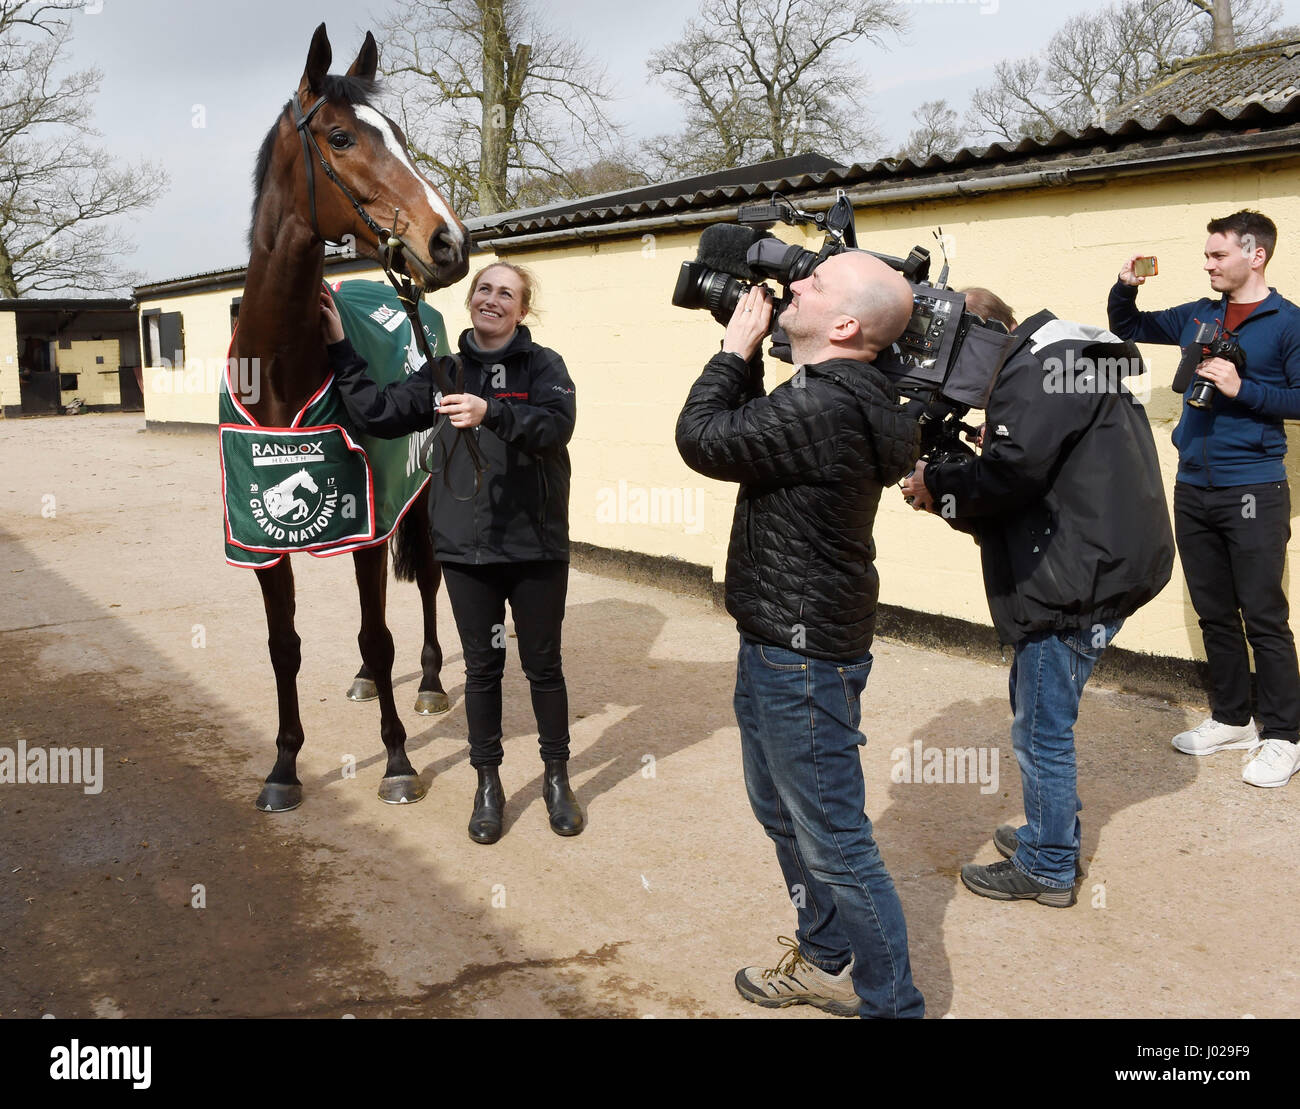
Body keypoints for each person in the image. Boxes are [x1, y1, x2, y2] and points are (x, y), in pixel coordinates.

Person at [676, 251, 925, 1019]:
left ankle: (892, 1004)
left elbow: (705, 439)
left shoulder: (827, 402)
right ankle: (824, 955)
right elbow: (749, 436)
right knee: (783, 812)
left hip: (803, 650)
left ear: (845, 325)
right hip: (782, 633)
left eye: (816, 284)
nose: (797, 285)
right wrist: (748, 359)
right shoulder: (835, 390)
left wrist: (733, 350)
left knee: (835, 839)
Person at [901, 290, 1174, 905]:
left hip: (1075, 580)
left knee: (1040, 729)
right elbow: (1033, 472)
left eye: (952, 353)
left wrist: (937, 481)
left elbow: (1013, 474)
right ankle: (1051, 832)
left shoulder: (1033, 371)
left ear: (989, 334)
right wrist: (962, 476)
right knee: (1041, 710)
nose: (951, 375)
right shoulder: (1065, 355)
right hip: (1105, 561)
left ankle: (1049, 864)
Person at [319, 263, 583, 842]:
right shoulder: (443, 371)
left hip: (535, 545)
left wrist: (493, 412)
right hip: (467, 551)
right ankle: (487, 784)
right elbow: (379, 412)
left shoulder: (545, 366)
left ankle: (556, 777)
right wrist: (340, 343)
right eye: (484, 290)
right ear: (471, 301)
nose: (493, 300)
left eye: (506, 294)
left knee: (544, 668)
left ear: (522, 309)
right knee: (484, 671)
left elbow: (555, 426)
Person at [1108, 211, 1300, 789]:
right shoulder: (1200, 314)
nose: (1208, 263)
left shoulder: (1287, 322)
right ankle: (1232, 718)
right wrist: (1125, 286)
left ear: (1256, 255)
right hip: (1194, 484)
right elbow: (1128, 326)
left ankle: (1285, 736)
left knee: (1263, 614)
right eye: (1208, 255)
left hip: (1253, 487)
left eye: (1218, 255)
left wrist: (1247, 390)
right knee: (1213, 609)